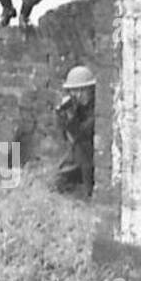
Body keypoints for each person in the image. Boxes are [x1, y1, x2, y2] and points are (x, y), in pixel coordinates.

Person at [54, 65, 96, 197]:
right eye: (74, 91)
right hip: (77, 155)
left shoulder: (97, 108)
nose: (78, 95)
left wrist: (71, 117)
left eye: (82, 91)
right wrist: (62, 116)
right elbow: (65, 137)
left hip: (92, 155)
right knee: (58, 182)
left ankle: (89, 191)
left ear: (91, 90)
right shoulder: (75, 106)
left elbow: (82, 133)